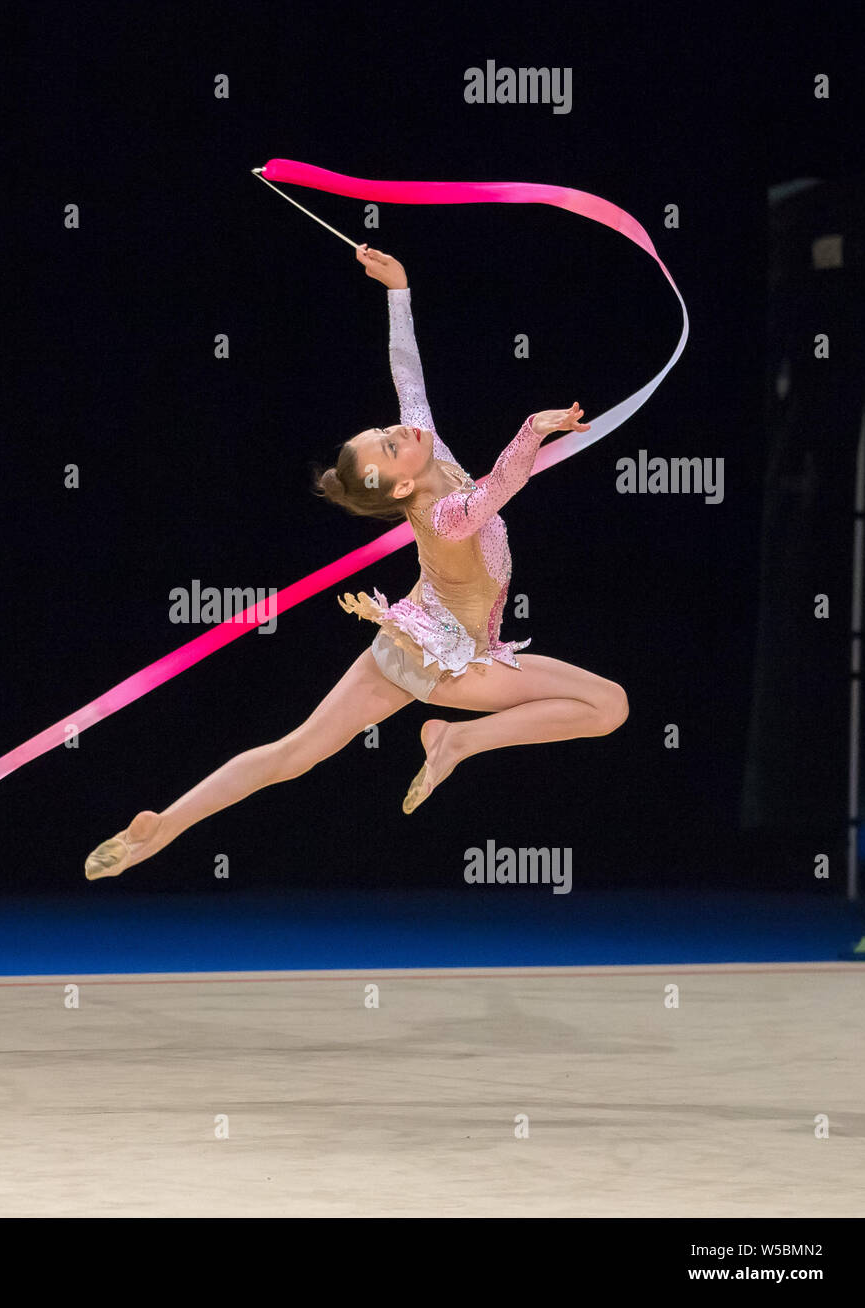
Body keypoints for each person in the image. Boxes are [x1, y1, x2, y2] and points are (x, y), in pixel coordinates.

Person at [84, 243, 627, 880]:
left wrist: (398, 292)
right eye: (392, 443)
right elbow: (501, 486)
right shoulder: (445, 515)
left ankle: (160, 829)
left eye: (389, 430)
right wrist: (534, 429)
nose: (401, 431)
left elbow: (409, 376)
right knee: (609, 706)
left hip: (405, 646)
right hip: (450, 664)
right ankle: (457, 739)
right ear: (401, 488)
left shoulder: (432, 454)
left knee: (294, 752)